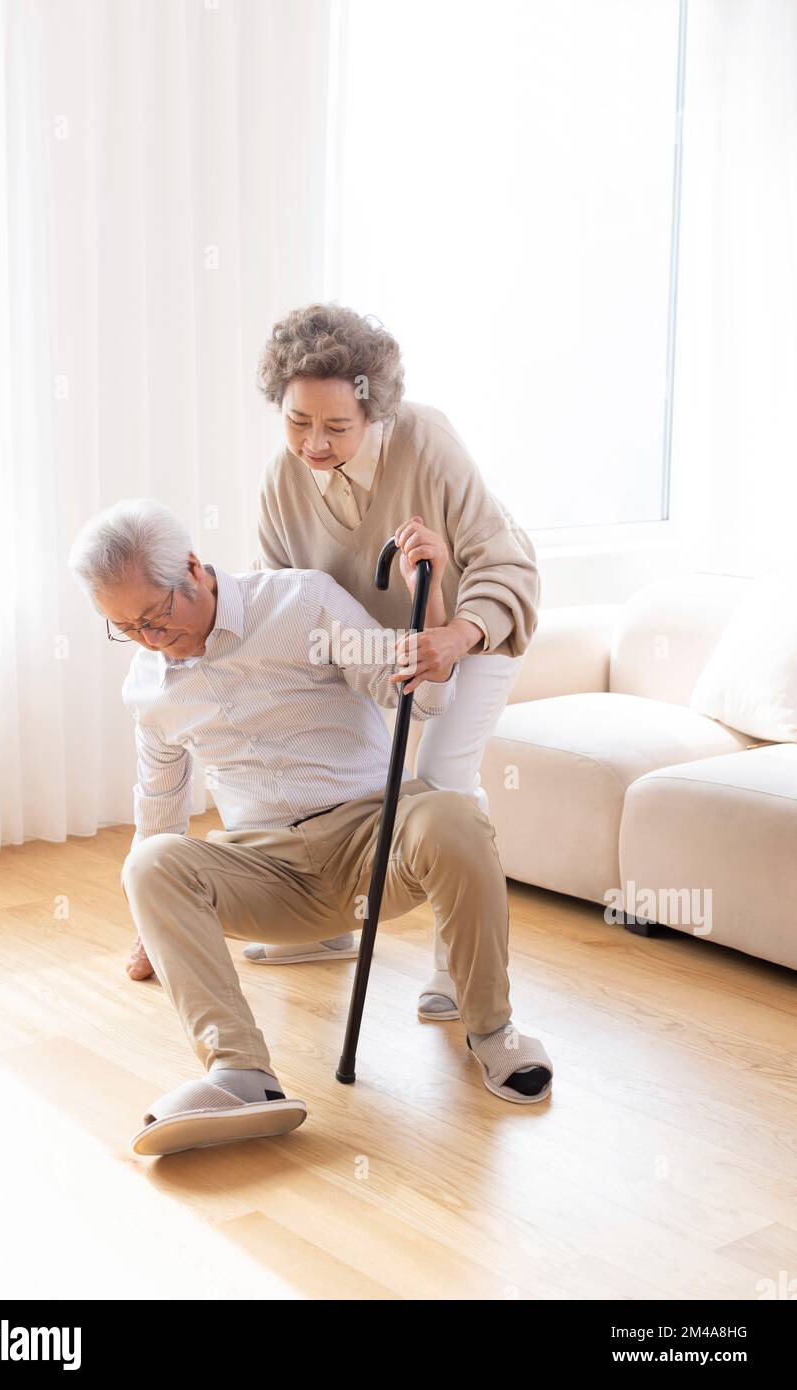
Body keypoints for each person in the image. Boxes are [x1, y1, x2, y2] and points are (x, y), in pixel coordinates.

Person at [68, 498, 553, 1156]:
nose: (150, 640)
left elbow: (423, 693)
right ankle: (241, 1077)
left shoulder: (298, 605)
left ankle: (492, 1032)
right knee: (149, 863)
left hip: (374, 844)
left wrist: (430, 596)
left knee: (451, 813)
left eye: (155, 616)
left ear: (192, 569)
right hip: (267, 874)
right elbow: (159, 801)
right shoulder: (146, 687)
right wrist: (150, 928)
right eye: (124, 628)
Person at [246, 302, 540, 1020]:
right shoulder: (279, 484)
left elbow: (503, 563)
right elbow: (285, 602)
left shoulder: (427, 440)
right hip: (377, 642)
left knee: (441, 786)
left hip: (478, 616)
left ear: (373, 412)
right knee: (331, 777)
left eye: (336, 427)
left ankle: (457, 963)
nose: (313, 443)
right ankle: (326, 924)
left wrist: (457, 633)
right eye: (297, 422)